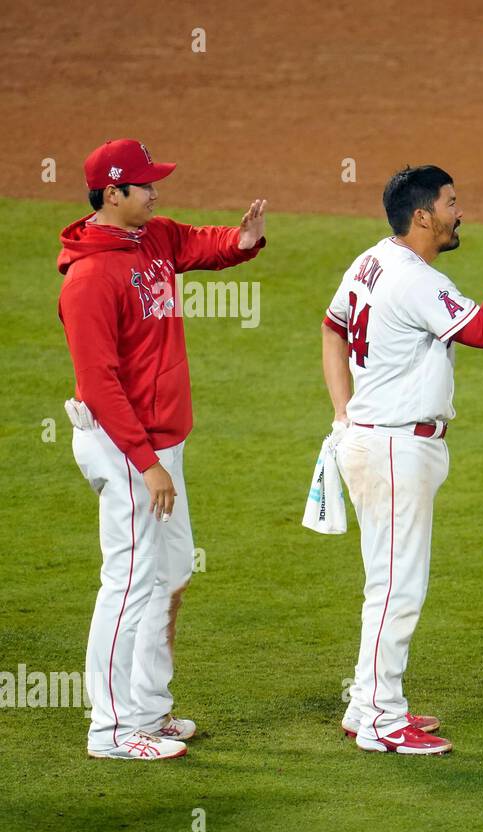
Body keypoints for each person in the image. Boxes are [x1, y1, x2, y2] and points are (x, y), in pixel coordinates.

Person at [58, 139, 266, 759]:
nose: (156, 191)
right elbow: (99, 384)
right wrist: (145, 464)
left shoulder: (151, 238)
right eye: (145, 185)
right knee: (126, 579)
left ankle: (146, 709)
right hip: (125, 447)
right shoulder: (90, 278)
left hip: (160, 444)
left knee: (169, 573)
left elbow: (199, 243)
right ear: (113, 193)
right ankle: (111, 729)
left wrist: (243, 240)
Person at [322, 165, 483, 755]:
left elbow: (332, 328)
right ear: (422, 216)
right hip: (392, 449)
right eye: (452, 203)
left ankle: (367, 705)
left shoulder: (370, 259)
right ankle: (383, 720)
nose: (460, 213)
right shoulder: (413, 278)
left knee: (386, 583)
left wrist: (343, 412)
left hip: (376, 439)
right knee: (396, 588)